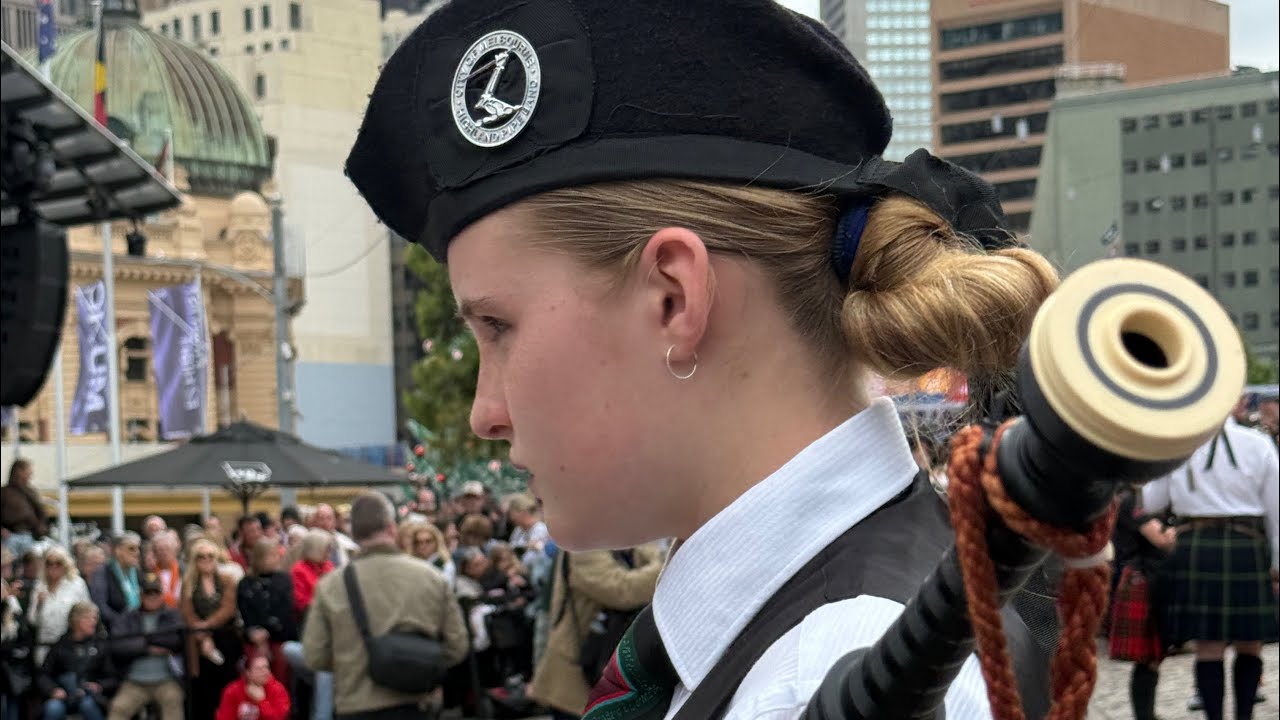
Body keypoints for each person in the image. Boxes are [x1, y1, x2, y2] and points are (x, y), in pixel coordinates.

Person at [346, 1, 1058, 718]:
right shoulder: (858, 625)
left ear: (673, 299)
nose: (485, 413)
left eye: (498, 326)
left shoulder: (824, 674)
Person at [1144, 419, 1280, 720]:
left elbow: (1153, 500)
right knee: (1249, 643)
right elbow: (1277, 511)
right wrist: (1277, 564)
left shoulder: (1178, 444)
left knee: (1208, 646)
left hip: (1196, 548)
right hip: (1247, 547)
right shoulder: (1257, 443)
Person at [302, 492, 469, 720]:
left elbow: (314, 655)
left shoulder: (331, 586)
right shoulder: (431, 577)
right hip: (417, 702)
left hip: (356, 704)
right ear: (392, 528)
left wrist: (351, 661)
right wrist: (420, 664)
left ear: (354, 533)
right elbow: (457, 646)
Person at [1107, 485, 1177, 720]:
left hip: (1147, 577)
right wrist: (1187, 529)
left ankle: (1147, 714)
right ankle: (1144, 716)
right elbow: (1162, 540)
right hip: (1143, 580)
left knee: (1153, 657)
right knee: (1149, 657)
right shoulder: (1132, 502)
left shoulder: (1131, 500)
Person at [215, 653, 290, 720]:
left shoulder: (277, 689)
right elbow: (225, 717)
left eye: (266, 667)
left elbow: (279, 717)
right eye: (258, 669)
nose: (264, 671)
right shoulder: (232, 690)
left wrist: (262, 702)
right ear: (248, 673)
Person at [1, 459, 47, 558]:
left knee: (30, 563)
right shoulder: (4, 492)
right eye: (27, 471)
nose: (30, 475)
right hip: (10, 535)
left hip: (29, 535)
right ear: (18, 471)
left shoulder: (31, 492)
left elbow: (41, 513)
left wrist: (39, 530)